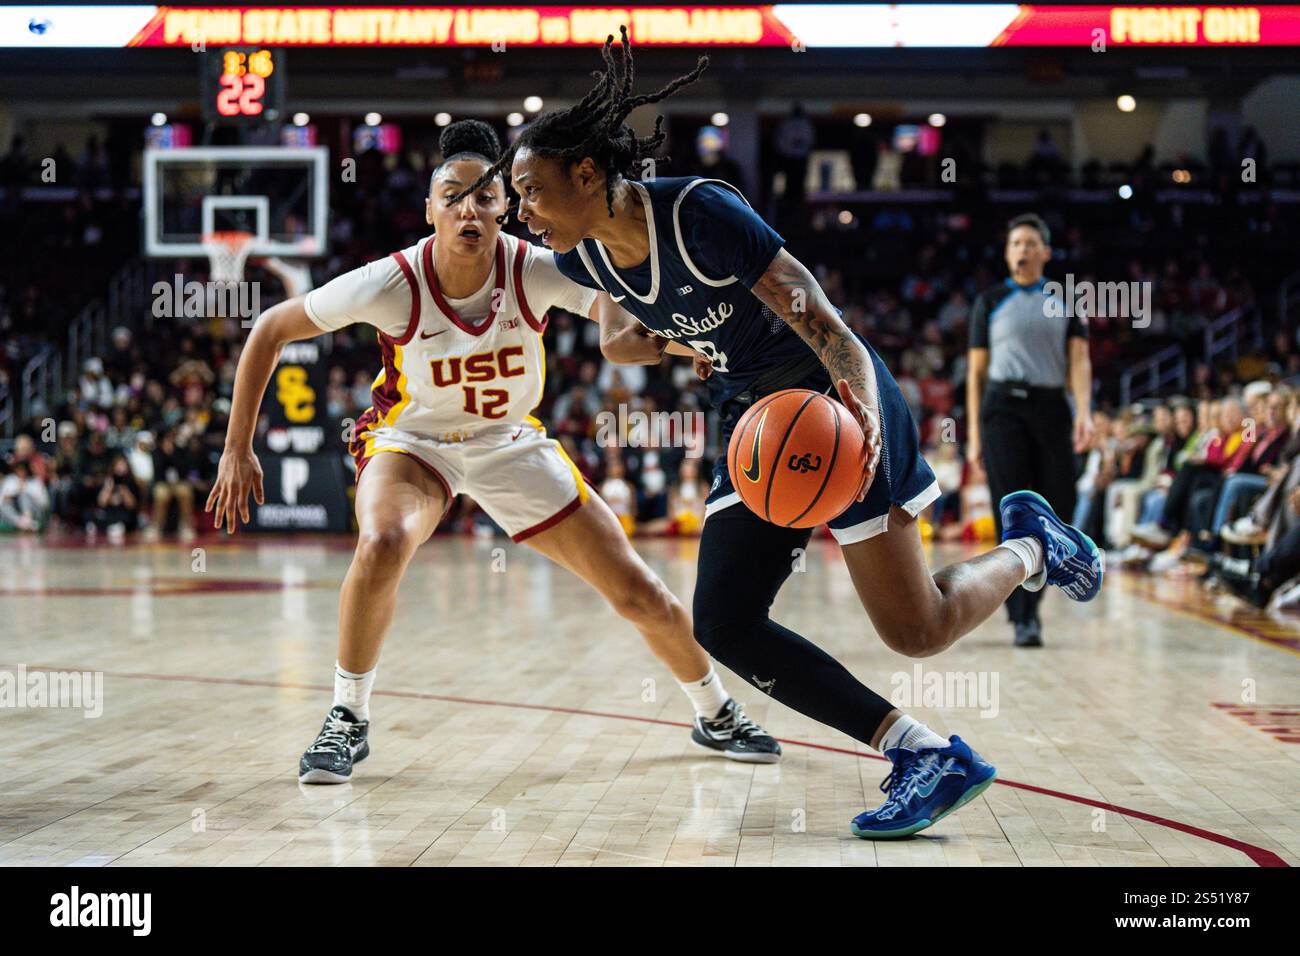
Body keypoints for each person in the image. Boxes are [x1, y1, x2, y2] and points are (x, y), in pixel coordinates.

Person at [450, 29, 1103, 838]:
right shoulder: (586, 256)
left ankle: (1034, 546)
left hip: (831, 402)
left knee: (917, 628)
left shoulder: (700, 214)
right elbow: (618, 335)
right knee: (722, 619)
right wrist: (671, 343)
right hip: (756, 417)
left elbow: (828, 327)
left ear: (588, 173)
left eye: (531, 191)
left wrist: (864, 417)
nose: (522, 211)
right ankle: (922, 753)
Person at [206, 120, 779, 786]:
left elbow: (620, 315)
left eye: (484, 197)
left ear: (505, 207)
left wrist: (684, 346)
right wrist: (236, 447)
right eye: (453, 196)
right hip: (413, 442)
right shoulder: (392, 281)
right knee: (384, 540)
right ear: (430, 210)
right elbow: (272, 328)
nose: (468, 209)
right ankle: (347, 716)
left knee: (639, 591)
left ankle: (715, 710)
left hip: (508, 442)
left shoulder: (534, 268)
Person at [966, 213, 1095, 646]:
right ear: (1007, 253)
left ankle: (1029, 601)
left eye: (1029, 243)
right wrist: (974, 436)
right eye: (1014, 243)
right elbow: (976, 373)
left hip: (1051, 407)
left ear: (1045, 253)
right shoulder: (990, 300)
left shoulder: (1066, 301)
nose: (1021, 250)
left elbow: (1079, 361)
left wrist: (1085, 413)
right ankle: (1024, 615)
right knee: (1014, 510)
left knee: (1059, 504)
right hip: (1002, 409)